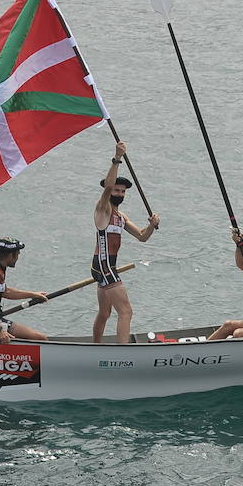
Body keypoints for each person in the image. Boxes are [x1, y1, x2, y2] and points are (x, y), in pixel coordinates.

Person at [92, 141, 160, 344]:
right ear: (109, 191)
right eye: (117, 191)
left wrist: (151, 225)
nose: (119, 194)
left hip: (104, 266)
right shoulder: (102, 209)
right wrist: (117, 158)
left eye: (123, 192)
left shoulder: (120, 216)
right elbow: (109, 186)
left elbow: (142, 236)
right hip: (104, 266)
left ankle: (95, 347)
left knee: (105, 313)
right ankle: (123, 353)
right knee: (126, 311)